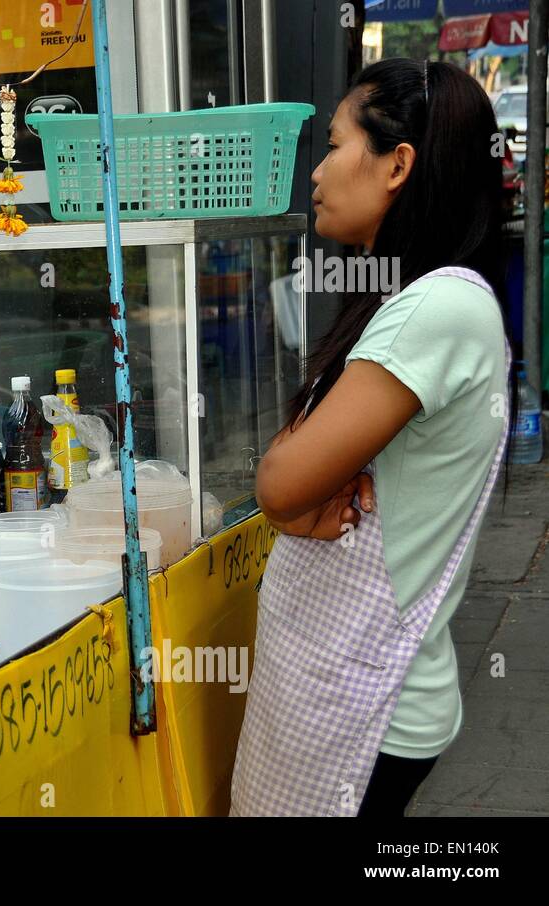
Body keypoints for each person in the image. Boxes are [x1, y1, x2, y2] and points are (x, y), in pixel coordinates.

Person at [231, 59, 514, 816]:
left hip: (371, 702)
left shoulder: (435, 309)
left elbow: (282, 483)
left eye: (333, 144)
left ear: (397, 164)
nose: (318, 171)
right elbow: (297, 487)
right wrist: (297, 495)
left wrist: (294, 494)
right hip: (349, 687)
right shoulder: (405, 298)